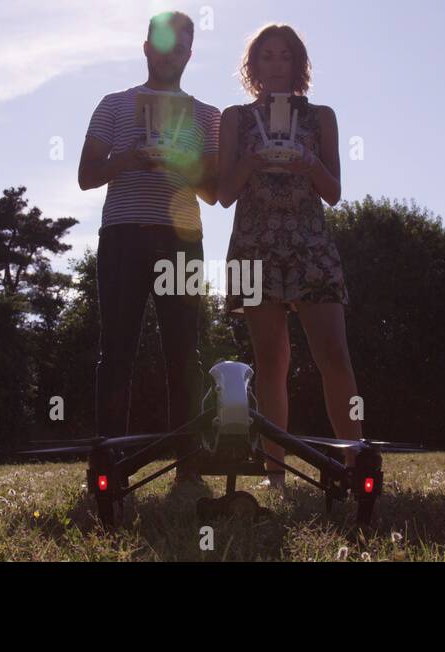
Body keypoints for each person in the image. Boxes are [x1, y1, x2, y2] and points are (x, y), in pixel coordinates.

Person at [78, 11, 220, 485]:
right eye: (161, 46)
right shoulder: (113, 105)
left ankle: (188, 467)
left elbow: (215, 191)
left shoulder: (206, 115)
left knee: (184, 352)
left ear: (189, 55)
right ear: (146, 48)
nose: (168, 55)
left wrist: (183, 159)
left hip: (181, 240)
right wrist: (131, 158)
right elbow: (86, 175)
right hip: (122, 235)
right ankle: (108, 466)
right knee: (116, 350)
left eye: (179, 48)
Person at [217, 24, 360, 493]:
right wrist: (251, 161)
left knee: (334, 356)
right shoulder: (235, 118)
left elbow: (335, 193)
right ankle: (275, 474)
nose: (275, 65)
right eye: (266, 56)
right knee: (273, 359)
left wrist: (310, 163)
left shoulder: (322, 117)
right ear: (252, 66)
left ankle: (354, 461)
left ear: (299, 64)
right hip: (255, 244)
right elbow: (222, 194)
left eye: (285, 56)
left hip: (310, 244)